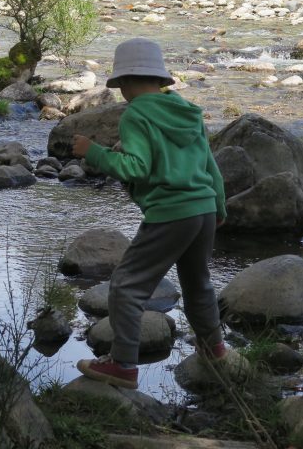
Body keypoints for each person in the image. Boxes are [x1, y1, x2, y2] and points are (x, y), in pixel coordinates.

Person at [71, 37, 227, 390]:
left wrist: (93, 152)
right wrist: (218, 205)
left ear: (124, 83)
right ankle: (214, 348)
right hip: (202, 209)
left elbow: (137, 168)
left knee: (126, 286)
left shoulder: (136, 115)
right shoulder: (188, 112)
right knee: (198, 283)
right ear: (161, 80)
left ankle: (123, 364)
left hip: (170, 212)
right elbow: (210, 165)